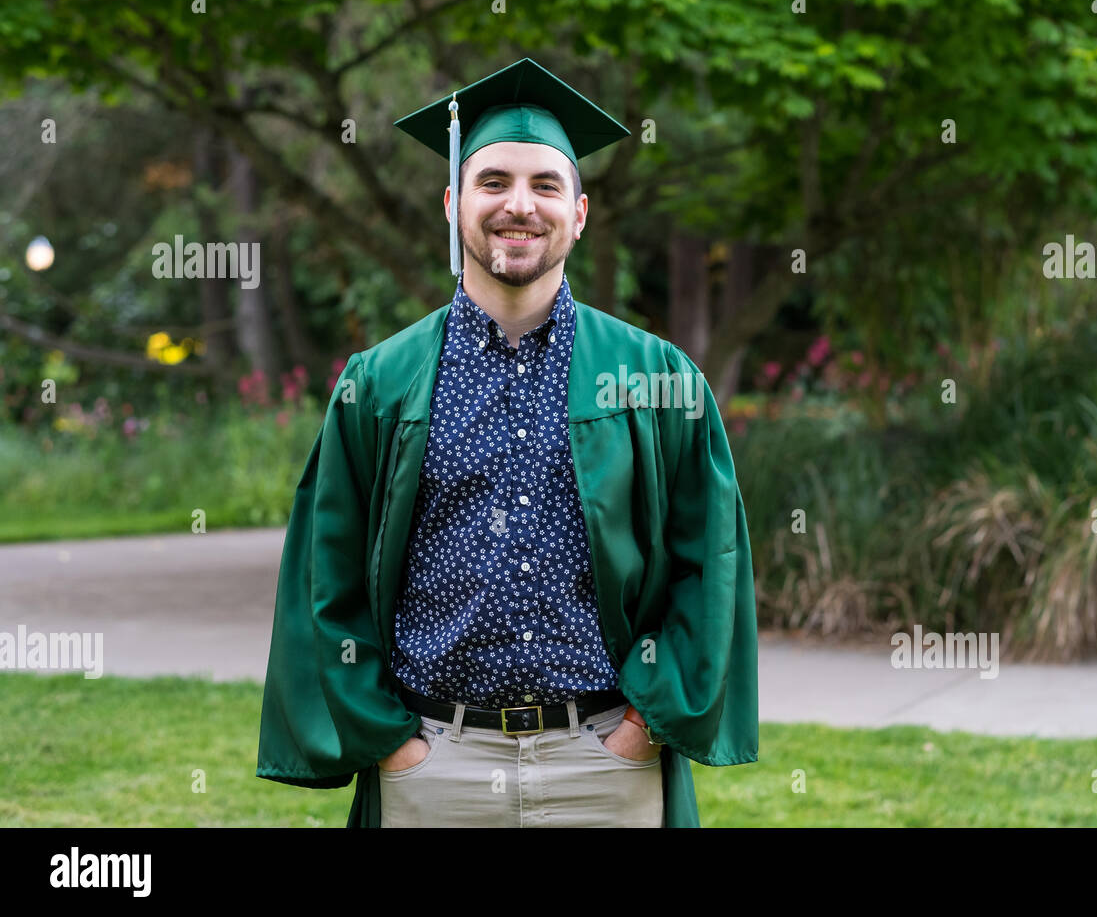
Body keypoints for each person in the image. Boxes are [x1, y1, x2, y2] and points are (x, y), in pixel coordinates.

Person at [256, 57, 758, 827]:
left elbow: (709, 566)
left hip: (604, 764)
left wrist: (643, 726)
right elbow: (327, 579)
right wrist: (393, 745)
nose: (518, 206)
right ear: (455, 202)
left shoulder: (659, 380)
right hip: (434, 765)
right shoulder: (381, 382)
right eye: (493, 182)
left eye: (544, 186)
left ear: (579, 212)